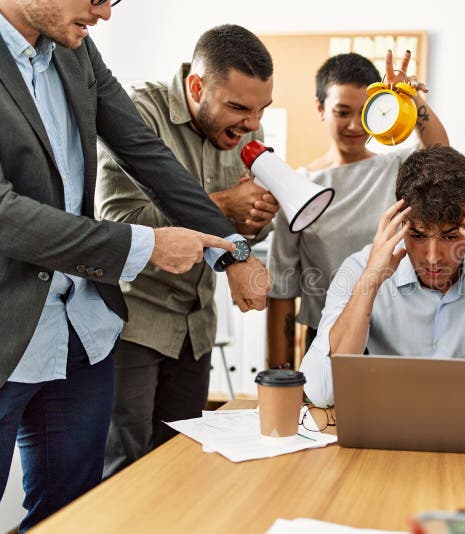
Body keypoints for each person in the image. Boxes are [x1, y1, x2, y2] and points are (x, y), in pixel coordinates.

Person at [0, 1, 268, 530]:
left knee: (78, 513)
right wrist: (141, 246)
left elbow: (147, 154)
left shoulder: (77, 52)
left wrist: (232, 249)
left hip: (80, 332)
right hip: (8, 330)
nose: (103, 13)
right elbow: (5, 214)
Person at [96, 25, 279, 477]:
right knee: (124, 469)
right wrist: (222, 208)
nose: (253, 123)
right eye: (239, 107)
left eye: (261, 109)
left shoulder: (242, 128)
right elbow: (116, 224)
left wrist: (253, 218)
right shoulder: (138, 113)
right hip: (133, 324)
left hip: (195, 328)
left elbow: (241, 234)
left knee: (180, 466)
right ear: (196, 87)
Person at [300, 146, 465, 415]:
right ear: (399, 224)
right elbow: (321, 391)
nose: (434, 257)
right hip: (389, 430)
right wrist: (370, 282)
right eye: (419, 235)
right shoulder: (359, 269)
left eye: (449, 236)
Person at [267, 51, 448, 367]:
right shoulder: (297, 187)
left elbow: (441, 156)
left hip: (396, 336)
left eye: (364, 112)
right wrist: (279, 375)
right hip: (327, 336)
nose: (353, 125)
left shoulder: (395, 168)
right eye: (342, 112)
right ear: (320, 109)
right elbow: (282, 290)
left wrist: (413, 98)